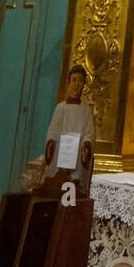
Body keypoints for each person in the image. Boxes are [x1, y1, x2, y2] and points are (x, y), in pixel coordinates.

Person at [42, 64, 94, 196]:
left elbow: (89, 132)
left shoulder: (86, 110)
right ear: (69, 83)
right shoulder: (60, 108)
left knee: (73, 191)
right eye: (74, 80)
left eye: (80, 81)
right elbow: (52, 130)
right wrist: (51, 142)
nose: (77, 84)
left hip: (76, 157)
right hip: (61, 154)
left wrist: (86, 143)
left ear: (84, 85)